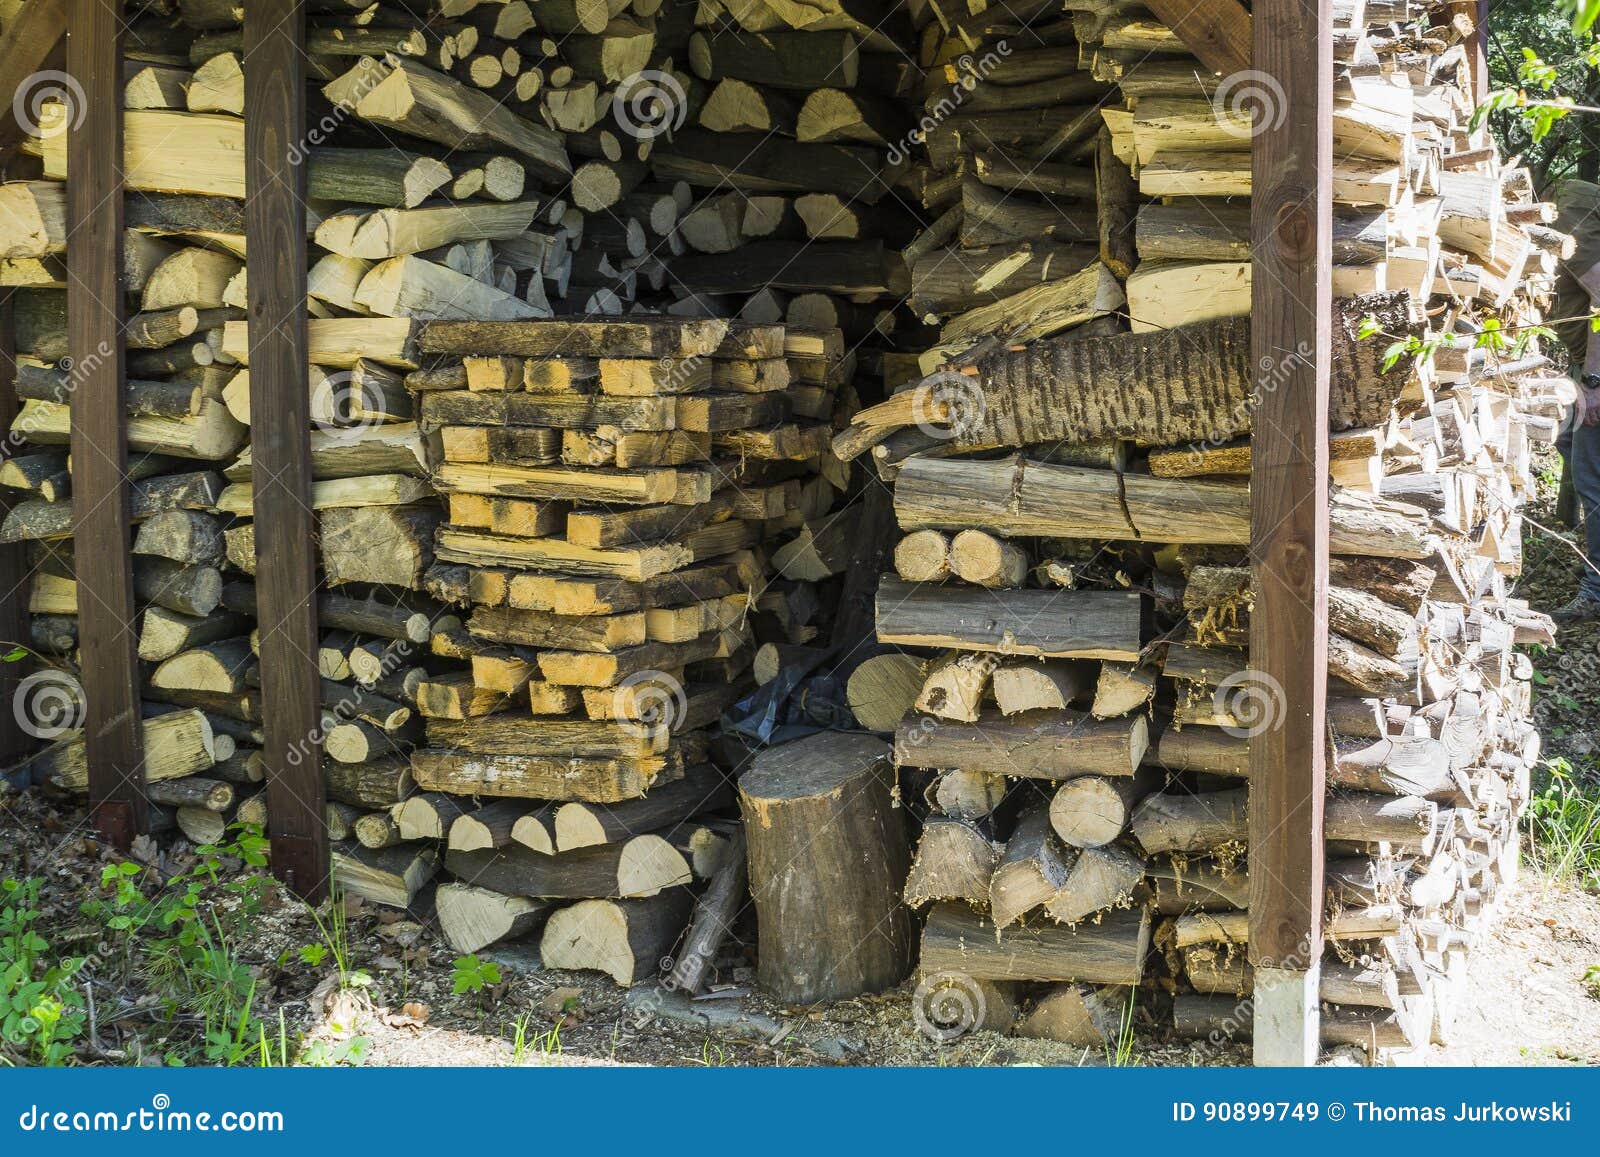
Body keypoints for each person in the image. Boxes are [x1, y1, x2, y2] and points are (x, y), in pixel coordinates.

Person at [1554, 260, 1600, 623]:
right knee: (1568, 442)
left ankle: (1595, 591)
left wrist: (1595, 381)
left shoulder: (1578, 210)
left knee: (1591, 480)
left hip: (1596, 376)